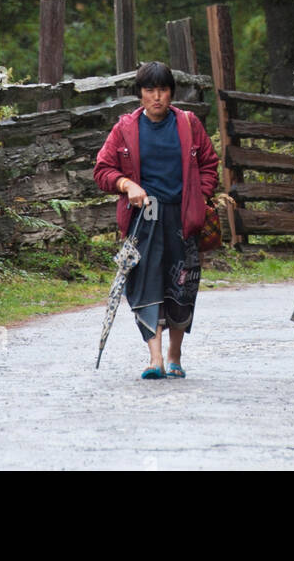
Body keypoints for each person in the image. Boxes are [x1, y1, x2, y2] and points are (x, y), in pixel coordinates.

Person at [93, 60, 219, 379]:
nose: (157, 97)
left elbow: (209, 163)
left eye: (163, 89)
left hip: (182, 215)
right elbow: (103, 170)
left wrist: (198, 196)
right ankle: (155, 358)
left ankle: (174, 355)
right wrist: (127, 184)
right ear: (140, 94)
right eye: (150, 90)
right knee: (144, 284)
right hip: (144, 217)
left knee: (181, 285)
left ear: (171, 93)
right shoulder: (125, 129)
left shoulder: (189, 124)